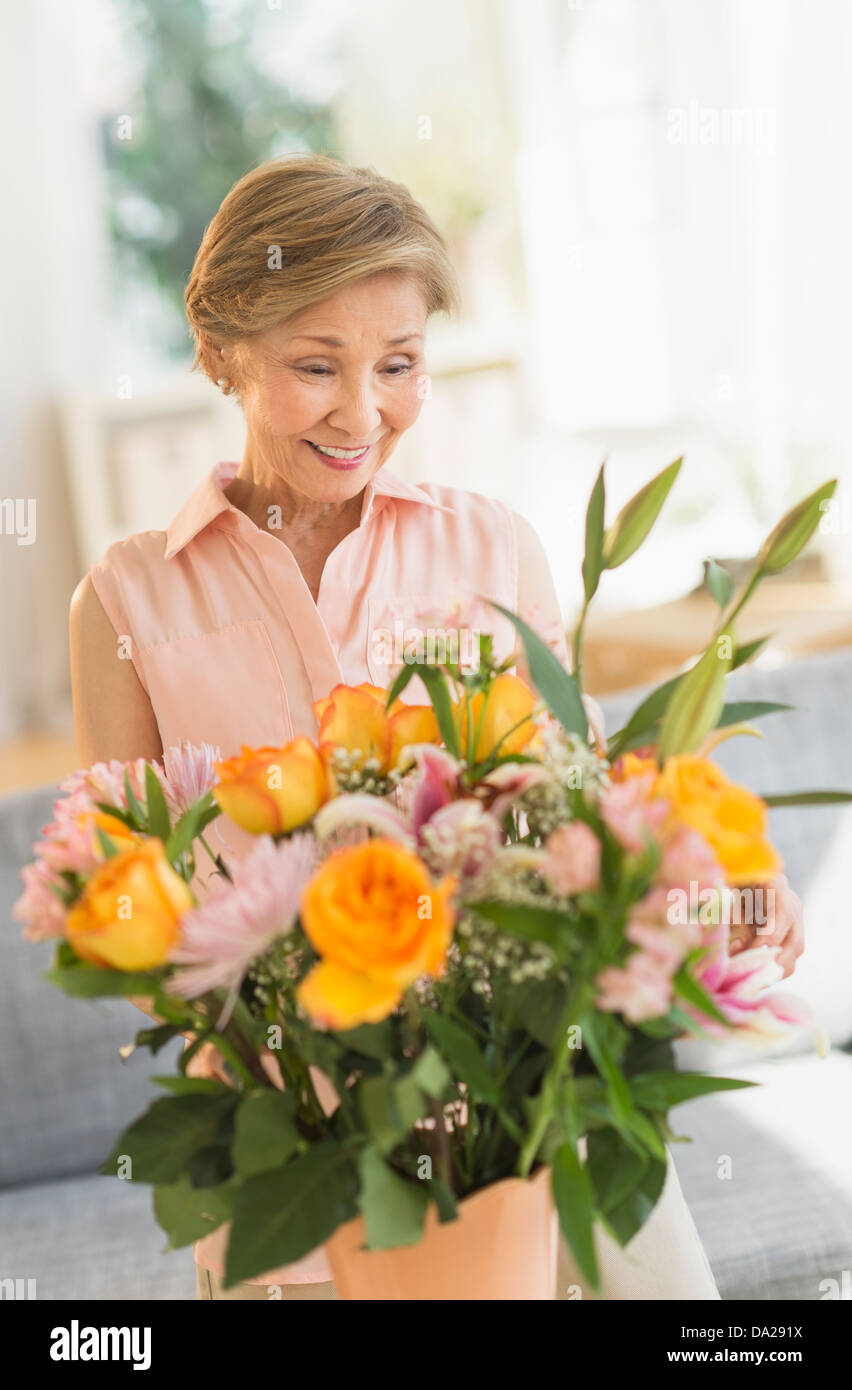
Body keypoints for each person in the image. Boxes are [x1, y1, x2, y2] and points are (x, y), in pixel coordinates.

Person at [70, 153, 802, 1301]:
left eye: (399, 365)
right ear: (221, 354)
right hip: (288, 1145)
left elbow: (588, 815)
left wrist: (726, 887)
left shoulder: (495, 547)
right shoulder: (127, 598)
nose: (363, 412)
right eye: (317, 365)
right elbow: (118, 892)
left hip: (522, 1112)